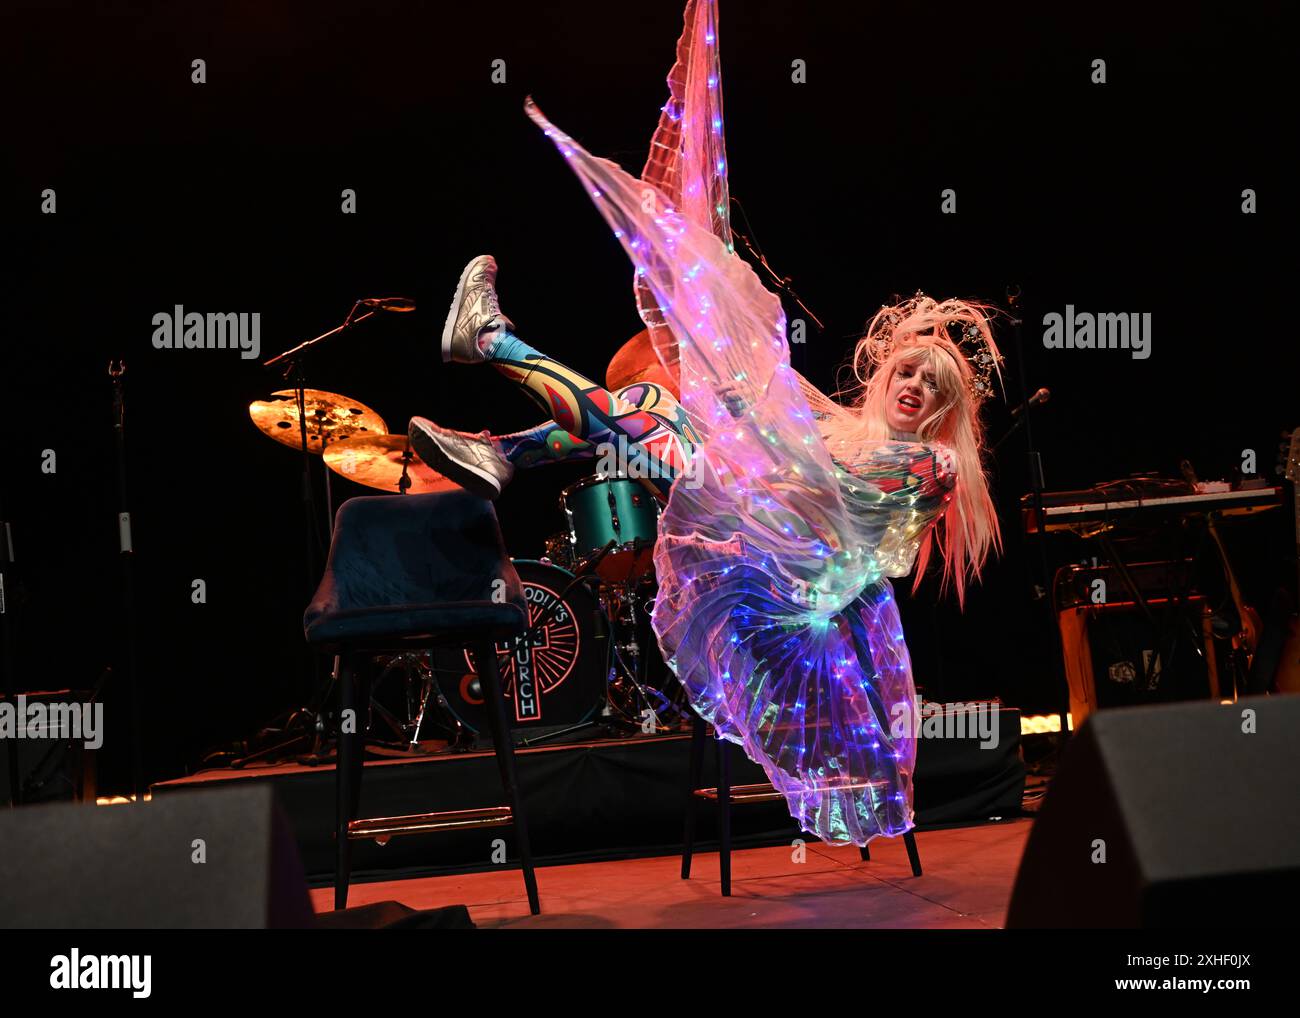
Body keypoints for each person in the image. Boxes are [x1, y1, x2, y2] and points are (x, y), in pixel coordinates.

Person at [408, 0, 1003, 846]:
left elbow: (823, 505)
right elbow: (780, 421)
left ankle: (496, 359)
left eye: (930, 385)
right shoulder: (838, 424)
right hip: (756, 556)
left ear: (945, 410)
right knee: (655, 406)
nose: (913, 386)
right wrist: (724, 346)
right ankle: (499, 434)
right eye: (906, 370)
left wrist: (743, 410)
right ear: (883, 374)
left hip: (786, 616)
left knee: (664, 416)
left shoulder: (931, 470)